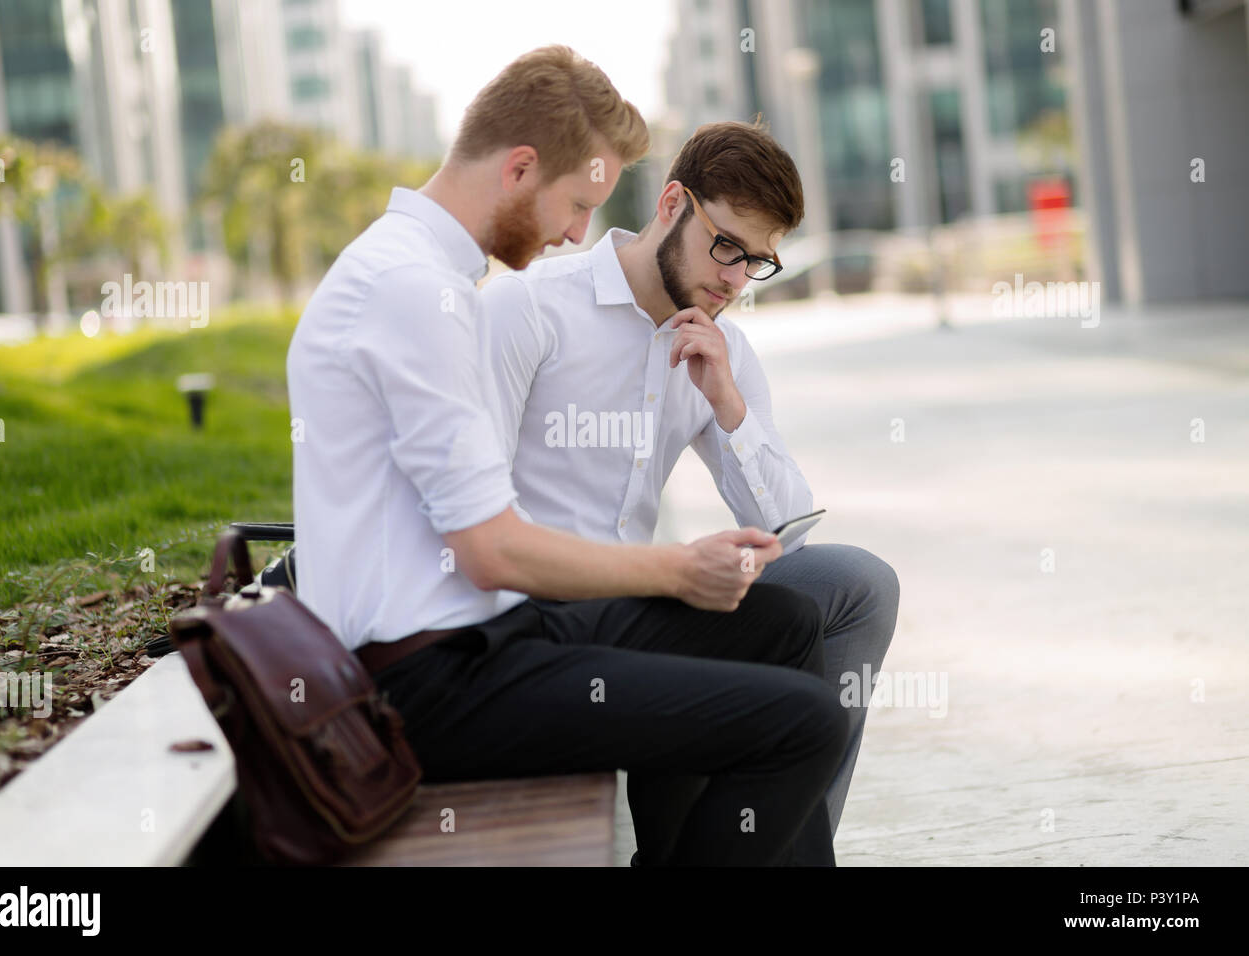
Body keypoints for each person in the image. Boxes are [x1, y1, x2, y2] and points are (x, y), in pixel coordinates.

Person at [286, 47, 848, 866]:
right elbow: (491, 552)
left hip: (485, 635)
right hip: (431, 675)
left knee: (786, 622)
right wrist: (678, 571)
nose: (579, 233)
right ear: (520, 168)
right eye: (580, 202)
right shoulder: (419, 292)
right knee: (806, 726)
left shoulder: (412, 274)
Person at [481, 120, 900, 859]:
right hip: (535, 606)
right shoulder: (534, 308)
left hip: (639, 601)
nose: (736, 278)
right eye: (727, 245)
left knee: (857, 583)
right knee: (759, 633)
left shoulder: (721, 345)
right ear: (673, 202)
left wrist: (728, 407)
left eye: (757, 262)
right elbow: (465, 505)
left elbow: (787, 530)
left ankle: (774, 844)